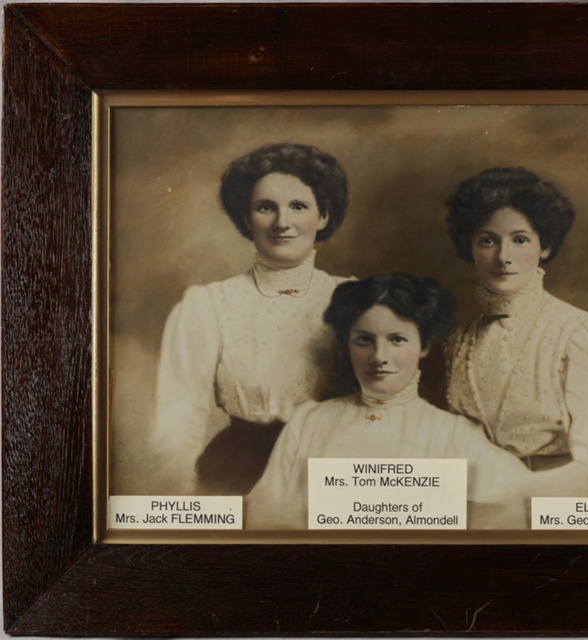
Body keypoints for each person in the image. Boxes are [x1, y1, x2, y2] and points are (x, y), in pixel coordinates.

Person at [246, 273, 535, 529]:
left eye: (397, 340)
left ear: (423, 346)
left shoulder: (455, 434)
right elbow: (262, 512)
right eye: (363, 340)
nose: (378, 357)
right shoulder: (309, 422)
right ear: (347, 343)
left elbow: (527, 497)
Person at [153, 143, 351, 495]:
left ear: (323, 216)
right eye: (265, 208)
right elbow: (176, 421)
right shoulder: (208, 305)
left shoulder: (355, 299)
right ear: (247, 219)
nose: (282, 223)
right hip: (238, 474)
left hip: (332, 474)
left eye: (298, 207)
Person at [444, 167, 588, 496]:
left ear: (544, 246)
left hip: (559, 507)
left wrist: (513, 493)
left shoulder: (582, 335)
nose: (503, 257)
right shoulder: (459, 343)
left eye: (520, 240)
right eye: (488, 241)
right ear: (469, 247)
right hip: (477, 509)